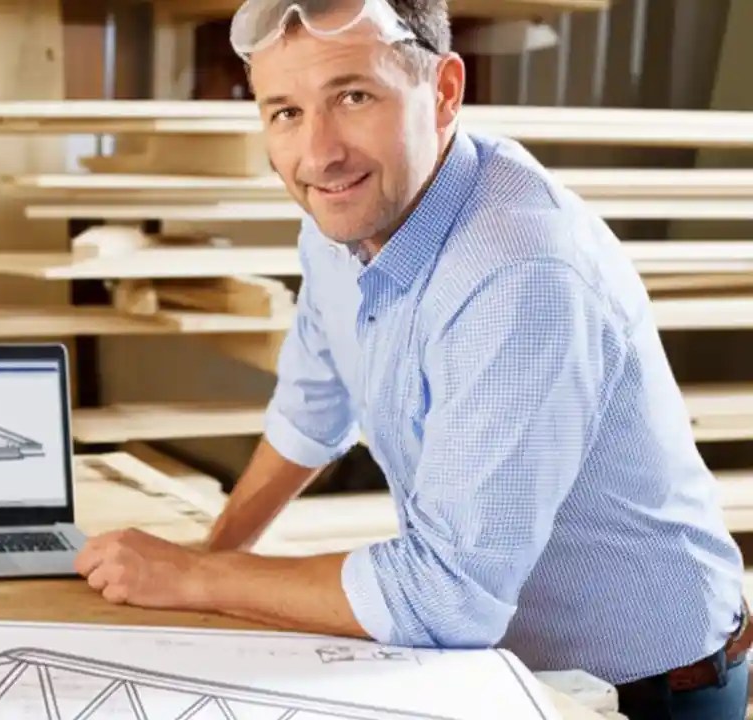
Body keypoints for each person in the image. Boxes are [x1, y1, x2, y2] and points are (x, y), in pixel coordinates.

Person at [73, 1, 752, 717]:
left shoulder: (520, 273)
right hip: (507, 663)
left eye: (353, 97)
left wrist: (195, 579)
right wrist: (212, 553)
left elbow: (449, 596)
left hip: (650, 689)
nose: (318, 155)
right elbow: (311, 410)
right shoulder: (345, 219)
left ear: (445, 92)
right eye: (286, 112)